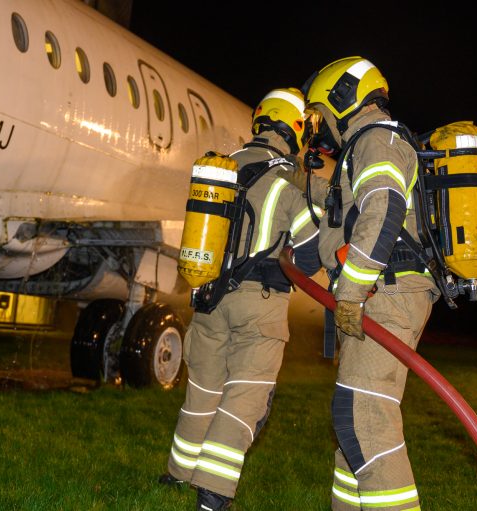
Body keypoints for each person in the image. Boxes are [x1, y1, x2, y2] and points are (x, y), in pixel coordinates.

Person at [159, 87, 323, 510]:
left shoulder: (223, 168)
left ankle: (177, 474)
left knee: (203, 391)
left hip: (210, 298)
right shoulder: (289, 181)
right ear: (295, 131)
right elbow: (307, 256)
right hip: (259, 305)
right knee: (246, 397)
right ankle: (213, 493)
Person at [299, 57, 440, 510]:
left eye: (321, 113)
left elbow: (382, 209)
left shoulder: (377, 139)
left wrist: (352, 291)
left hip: (387, 294)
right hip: (385, 293)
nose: (319, 129)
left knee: (364, 418)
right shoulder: (369, 144)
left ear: (343, 98)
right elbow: (348, 206)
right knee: (352, 427)